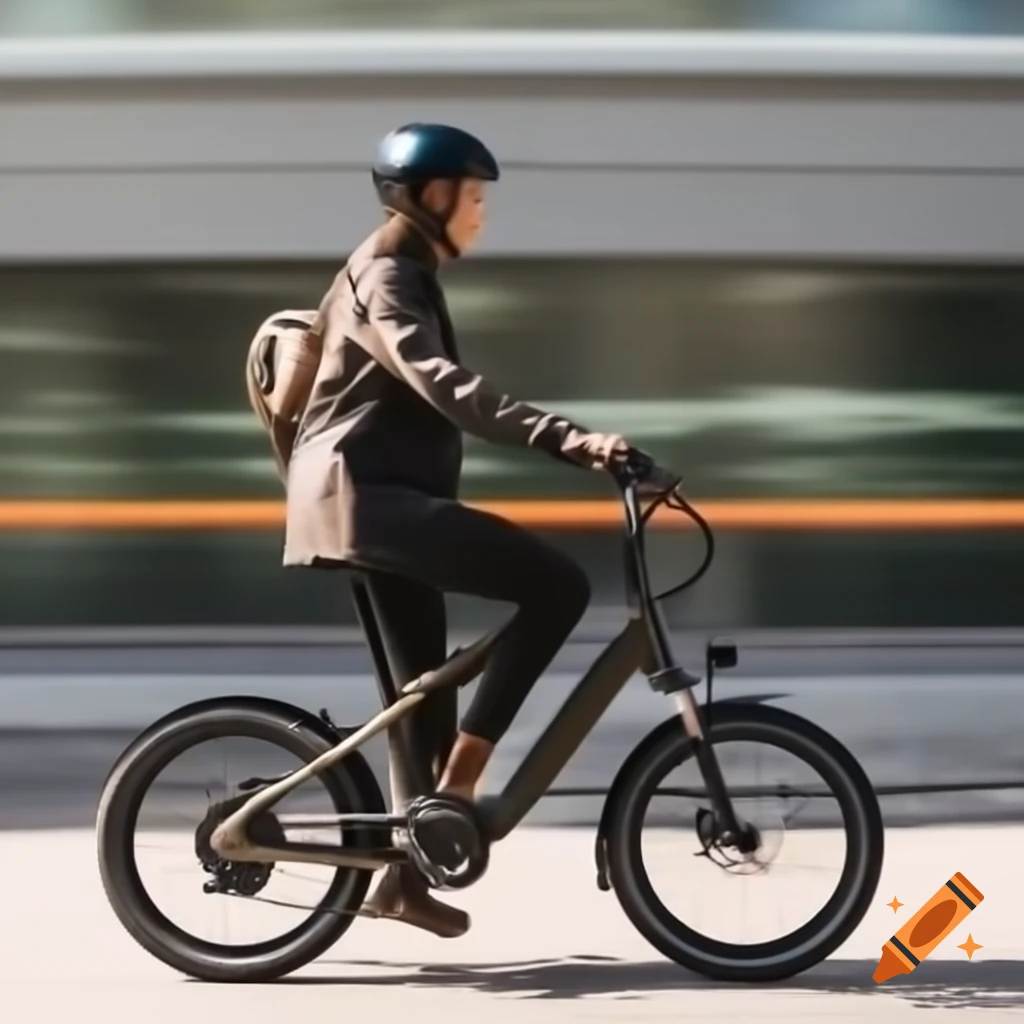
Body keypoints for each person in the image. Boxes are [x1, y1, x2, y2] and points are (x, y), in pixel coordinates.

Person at [280, 123, 655, 938]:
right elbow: (445, 385)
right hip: (366, 499)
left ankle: (400, 880)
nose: (483, 215)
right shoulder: (387, 275)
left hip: (372, 496)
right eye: (474, 198)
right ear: (430, 198)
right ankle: (459, 789)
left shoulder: (399, 268)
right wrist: (574, 439)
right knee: (556, 585)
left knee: (422, 701)